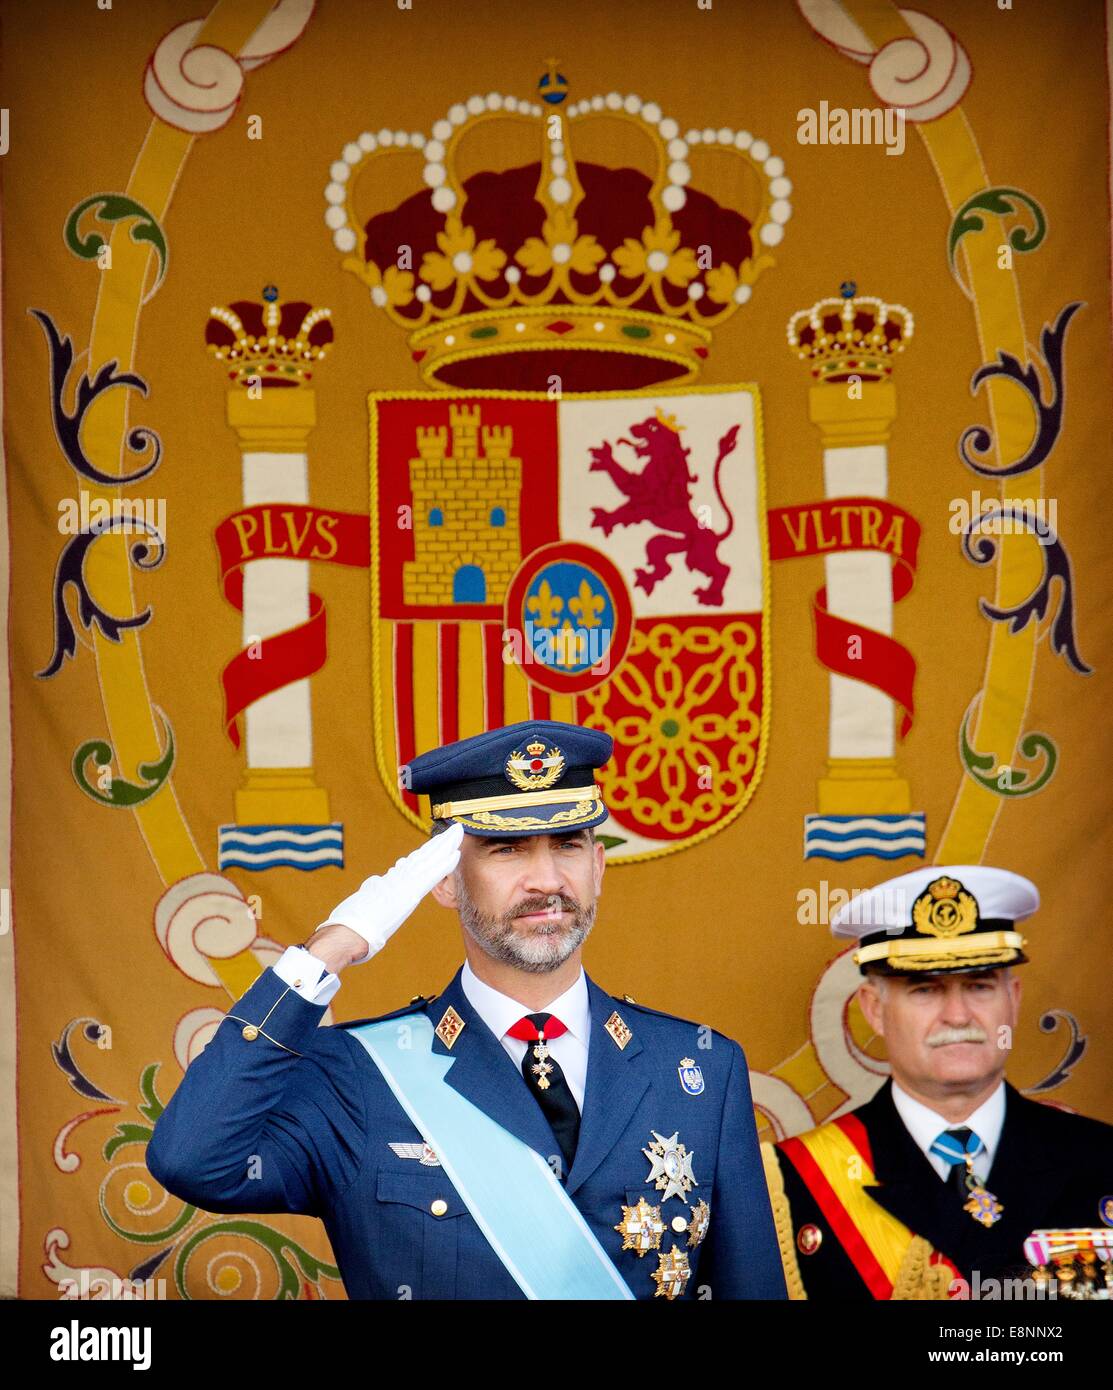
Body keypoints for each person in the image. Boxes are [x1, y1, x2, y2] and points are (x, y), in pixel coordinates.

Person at [147, 719, 786, 1301]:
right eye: (506, 850)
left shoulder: (699, 1070)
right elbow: (193, 1159)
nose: (546, 881)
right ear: (445, 880)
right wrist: (324, 953)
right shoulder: (359, 1077)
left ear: (597, 865)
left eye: (566, 844)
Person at [761, 865, 1113, 1299]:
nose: (957, 1016)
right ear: (873, 1009)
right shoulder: (792, 1185)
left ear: (1014, 1000)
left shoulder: (1101, 1159)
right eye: (925, 990)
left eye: (980, 986)